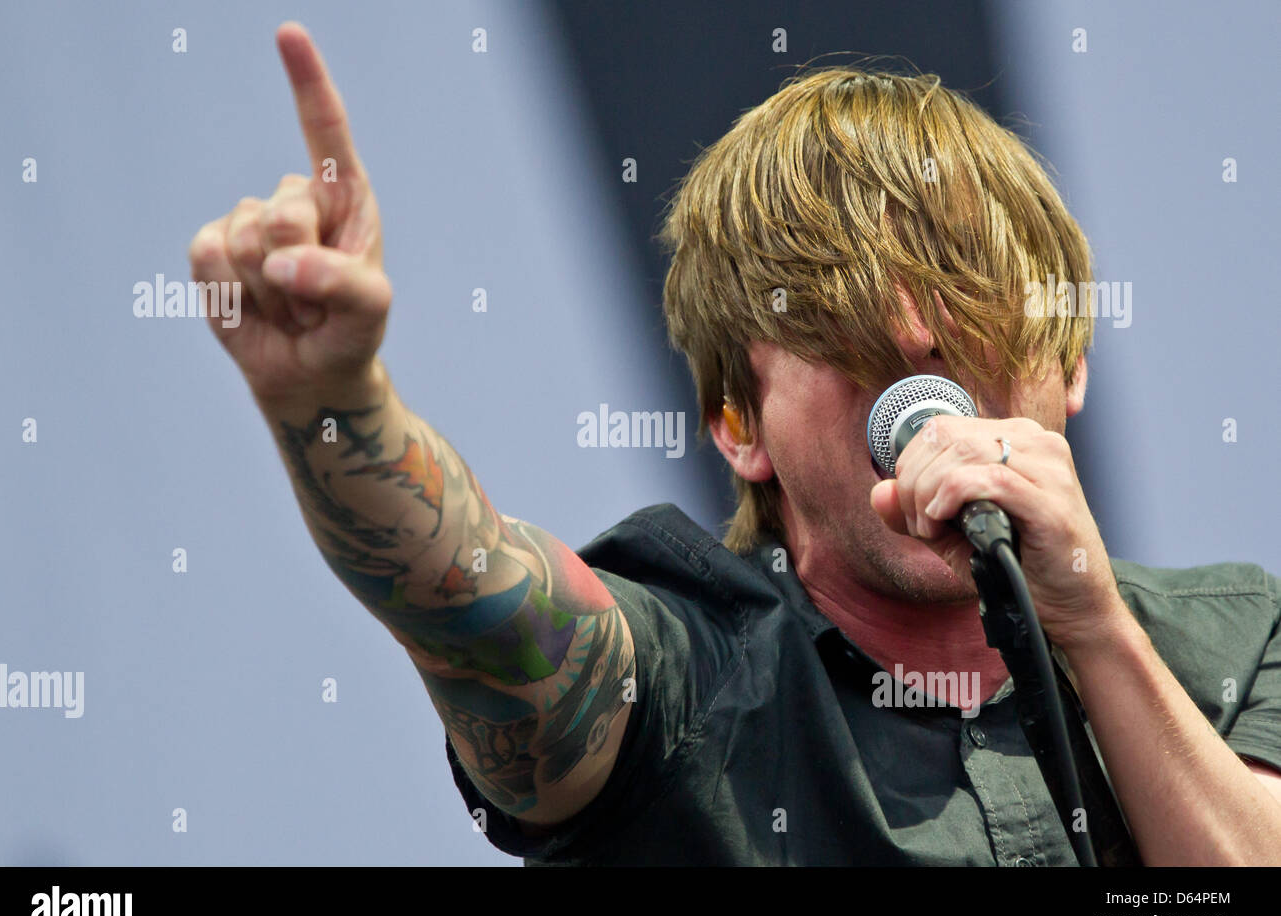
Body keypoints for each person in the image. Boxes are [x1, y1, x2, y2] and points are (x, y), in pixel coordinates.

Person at [189, 22, 1281, 865]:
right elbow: (474, 601)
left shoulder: (1232, 638)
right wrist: (337, 402)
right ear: (737, 422)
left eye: (973, 302)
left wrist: (1085, 619)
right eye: (838, 324)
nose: (913, 337)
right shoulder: (684, 684)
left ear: (1073, 362)